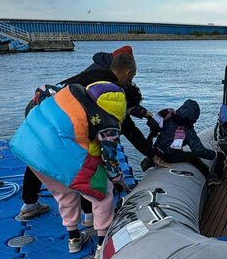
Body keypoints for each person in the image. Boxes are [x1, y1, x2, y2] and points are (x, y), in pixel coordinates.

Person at [18, 47, 155, 220]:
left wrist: (145, 113)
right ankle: (90, 216)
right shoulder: (107, 85)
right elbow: (126, 125)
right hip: (50, 115)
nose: (130, 82)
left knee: (38, 156)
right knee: (87, 161)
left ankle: (29, 204)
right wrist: (153, 155)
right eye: (132, 78)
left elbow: (125, 105)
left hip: (40, 107)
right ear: (128, 73)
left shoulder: (99, 73)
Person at [10, 80, 128, 254]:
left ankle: (73, 238)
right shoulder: (108, 120)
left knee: (64, 192)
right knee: (102, 192)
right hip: (58, 152)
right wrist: (118, 179)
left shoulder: (72, 93)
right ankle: (102, 244)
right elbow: (109, 160)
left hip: (28, 145)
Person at [144, 99, 227, 181]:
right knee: (192, 156)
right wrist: (215, 155)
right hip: (170, 155)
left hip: (156, 149)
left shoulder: (169, 117)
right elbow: (199, 151)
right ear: (194, 118)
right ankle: (209, 176)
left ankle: (151, 161)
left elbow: (153, 125)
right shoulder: (189, 131)